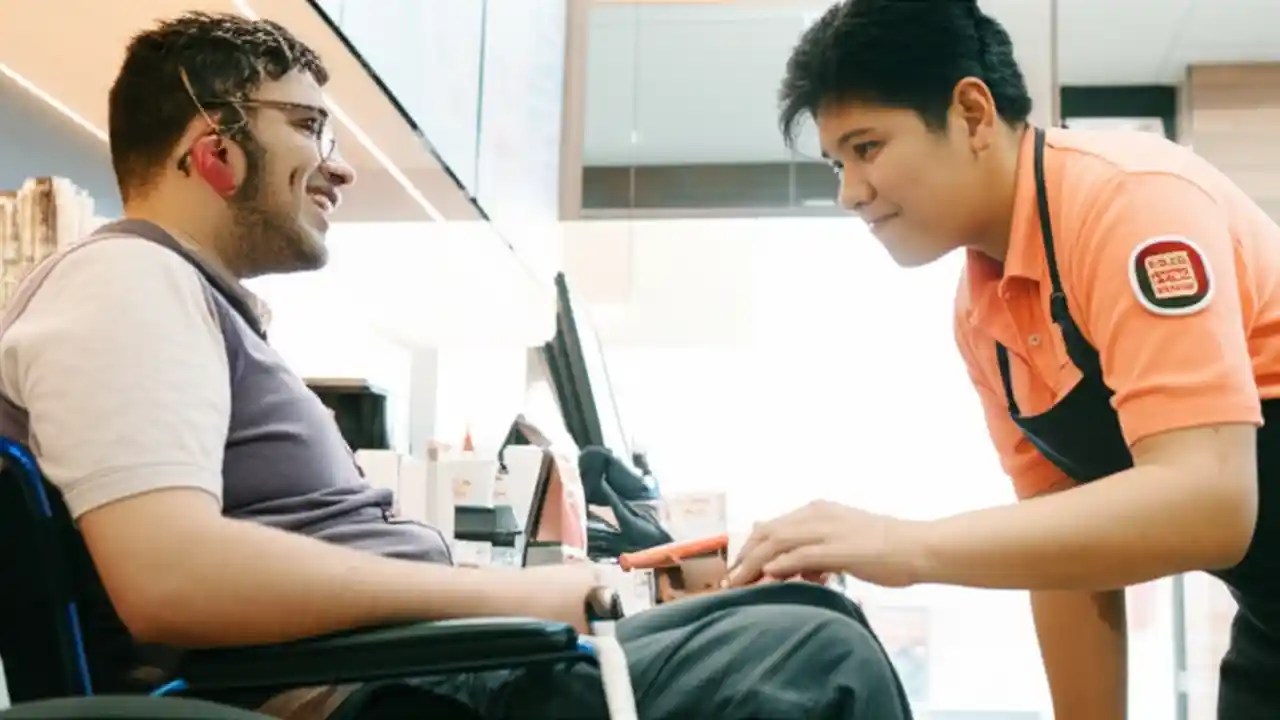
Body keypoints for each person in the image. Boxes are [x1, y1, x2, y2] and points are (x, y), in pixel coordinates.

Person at [0, 11, 913, 720]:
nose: (340, 169)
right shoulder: (125, 281)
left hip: (403, 669)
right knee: (808, 655)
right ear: (215, 148)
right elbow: (168, 578)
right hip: (368, 690)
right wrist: (518, 596)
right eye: (311, 127)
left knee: (810, 622)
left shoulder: (176, 296)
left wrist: (528, 595)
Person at [725, 0, 1280, 718]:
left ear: (973, 113)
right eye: (838, 162)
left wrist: (904, 547)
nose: (849, 192)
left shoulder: (1129, 202)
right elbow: (1068, 556)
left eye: (867, 148)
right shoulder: (981, 313)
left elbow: (1210, 504)